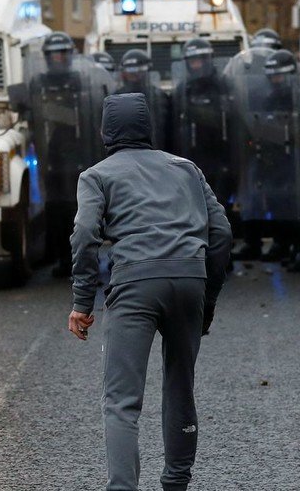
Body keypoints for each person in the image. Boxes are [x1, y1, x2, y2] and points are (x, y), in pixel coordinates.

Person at [67, 92, 231, 491]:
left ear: (106, 132)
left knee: (121, 401)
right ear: (148, 128)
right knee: (180, 385)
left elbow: (85, 235)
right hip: (189, 281)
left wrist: (82, 302)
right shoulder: (186, 168)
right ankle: (176, 483)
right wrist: (205, 302)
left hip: (136, 284)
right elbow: (221, 233)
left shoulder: (97, 175)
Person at [231, 50, 300, 271]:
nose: (275, 80)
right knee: (278, 204)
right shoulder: (268, 99)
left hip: (297, 161)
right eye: (271, 76)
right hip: (273, 161)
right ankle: (283, 245)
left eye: (280, 76)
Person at [29, 32, 105, 277]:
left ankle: (84, 262)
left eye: (63, 54)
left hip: (81, 156)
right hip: (52, 158)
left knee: (81, 213)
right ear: (47, 57)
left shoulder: (82, 80)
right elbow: (33, 120)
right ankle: (63, 260)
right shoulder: (38, 83)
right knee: (57, 214)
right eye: (54, 54)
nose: (59, 59)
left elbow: (92, 119)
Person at [170, 39, 233, 219]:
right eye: (192, 60)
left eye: (199, 59)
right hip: (191, 158)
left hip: (220, 158)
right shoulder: (183, 89)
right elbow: (174, 126)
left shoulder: (223, 86)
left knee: (220, 208)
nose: (195, 64)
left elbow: (234, 122)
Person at [116, 49, 169, 149]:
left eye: (138, 72)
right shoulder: (115, 98)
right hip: (126, 154)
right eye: (130, 73)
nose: (134, 77)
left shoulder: (160, 97)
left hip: (156, 152)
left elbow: (169, 132)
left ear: (147, 73)